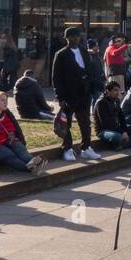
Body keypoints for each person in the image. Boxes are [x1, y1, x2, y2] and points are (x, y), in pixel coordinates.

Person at [52, 27, 101, 164]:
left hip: (84, 93)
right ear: (67, 38)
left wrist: (92, 86)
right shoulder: (61, 54)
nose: (75, 39)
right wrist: (60, 96)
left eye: (77, 36)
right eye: (72, 37)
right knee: (66, 123)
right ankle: (67, 148)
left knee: (85, 123)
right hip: (69, 94)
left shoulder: (84, 51)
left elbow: (89, 70)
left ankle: (86, 147)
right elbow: (56, 77)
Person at [0, 92, 47, 176]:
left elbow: (17, 127)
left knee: (21, 151)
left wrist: (22, 140)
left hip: (10, 140)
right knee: (9, 155)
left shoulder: (7, 112)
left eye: (6, 100)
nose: (6, 102)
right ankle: (31, 168)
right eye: (2, 100)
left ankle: (35, 163)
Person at [94, 81, 131, 149]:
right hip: (104, 130)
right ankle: (124, 144)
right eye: (115, 90)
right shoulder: (101, 102)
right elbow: (105, 122)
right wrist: (121, 132)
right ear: (107, 91)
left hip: (116, 128)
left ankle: (123, 145)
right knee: (118, 137)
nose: (118, 93)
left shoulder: (116, 100)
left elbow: (121, 117)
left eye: (118, 90)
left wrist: (124, 131)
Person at [85, 39, 107, 104]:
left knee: (96, 99)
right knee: (96, 98)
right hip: (93, 82)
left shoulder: (95, 55)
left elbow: (99, 68)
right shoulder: (89, 56)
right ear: (92, 47)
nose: (98, 47)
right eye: (96, 46)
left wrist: (103, 78)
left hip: (97, 81)